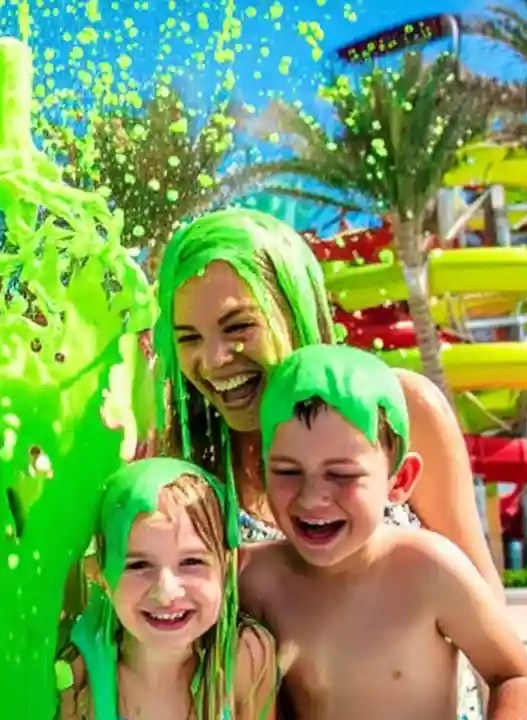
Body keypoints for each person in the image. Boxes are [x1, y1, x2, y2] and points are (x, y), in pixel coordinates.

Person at [150, 208, 503, 716]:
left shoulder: (400, 412)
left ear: (295, 309)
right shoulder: (190, 462)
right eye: (188, 338)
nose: (215, 359)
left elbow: (488, 616)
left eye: (239, 326)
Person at [240, 344, 527, 719]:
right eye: (288, 471)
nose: (312, 497)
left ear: (400, 480)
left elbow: (515, 677)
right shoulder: (257, 581)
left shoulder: (429, 569)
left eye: (341, 475)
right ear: (259, 470)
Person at [60, 457, 278, 720]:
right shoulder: (77, 679)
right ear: (100, 576)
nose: (166, 593)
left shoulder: (245, 659)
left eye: (191, 562)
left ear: (229, 567)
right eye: (139, 565)